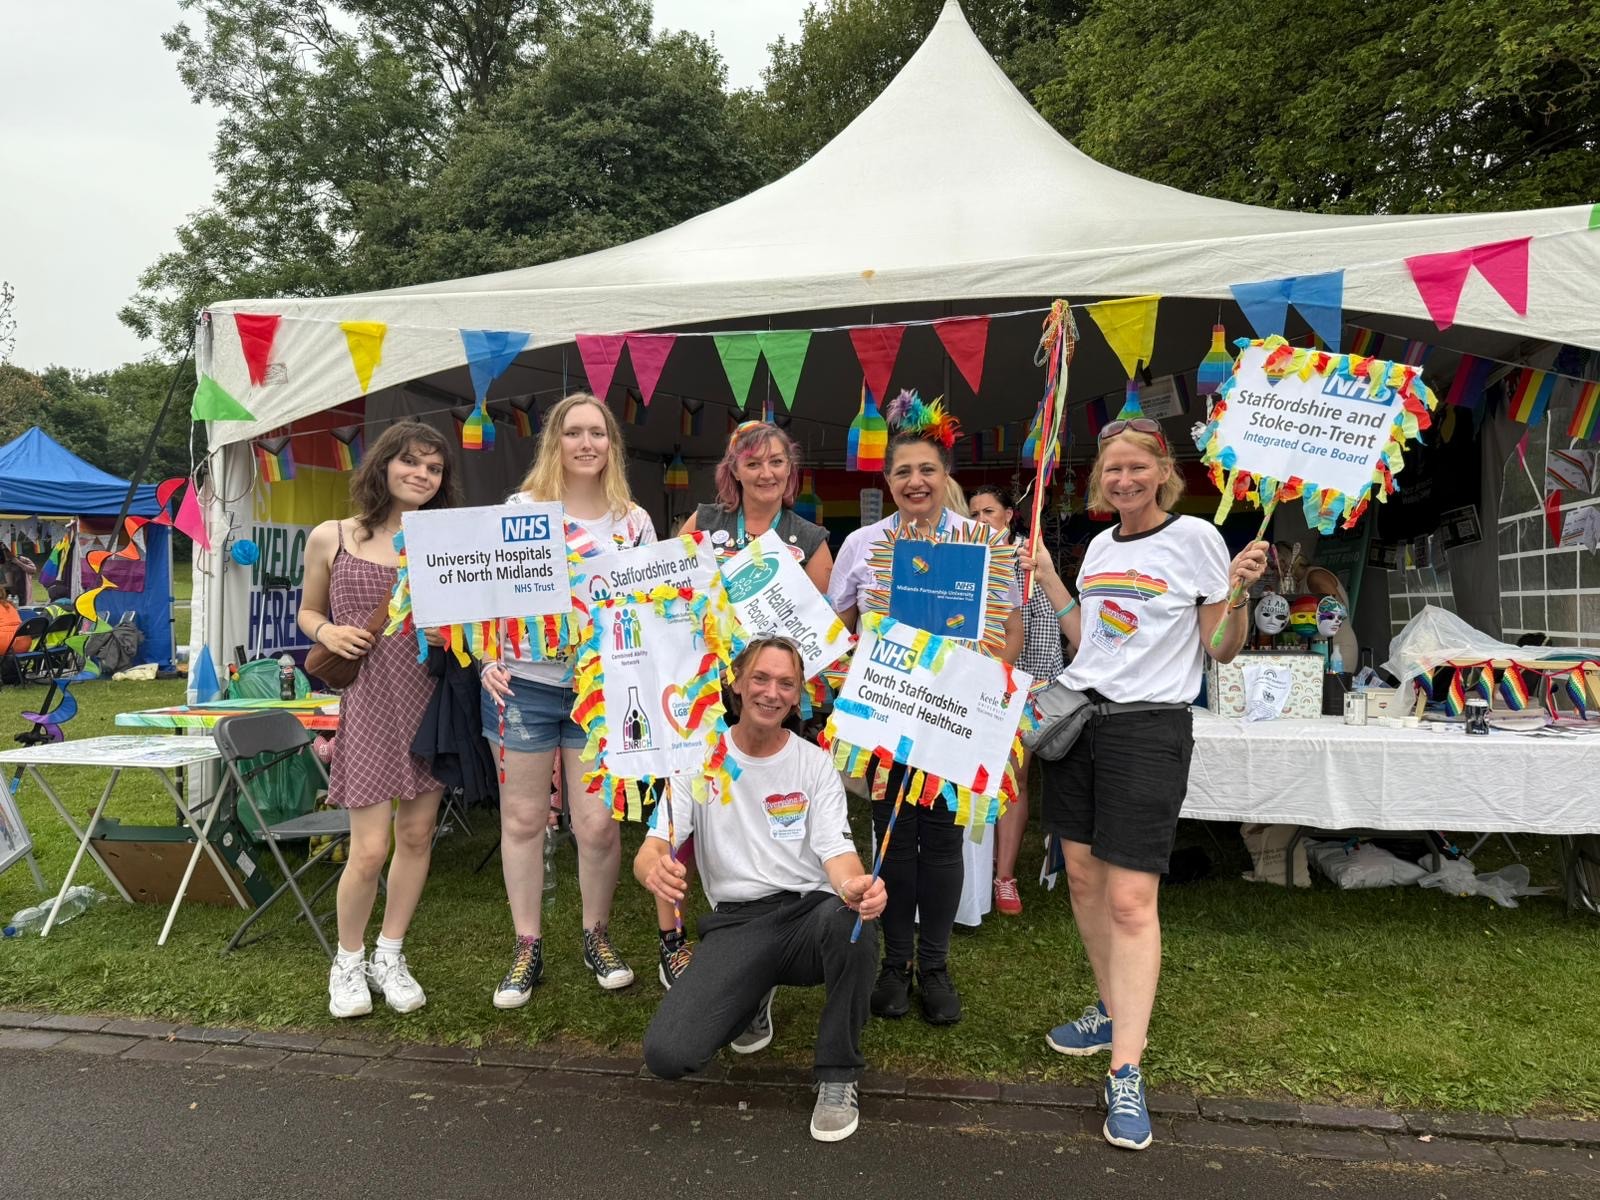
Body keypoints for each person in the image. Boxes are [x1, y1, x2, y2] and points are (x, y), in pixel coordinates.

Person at [1025, 415, 1266, 1152]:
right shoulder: (1099, 546)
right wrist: (1049, 581)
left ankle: (1125, 1070)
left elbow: (1218, 649)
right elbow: (1086, 641)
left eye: (1137, 468)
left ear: (1164, 471)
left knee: (1132, 899)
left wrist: (1239, 595)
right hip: (1080, 725)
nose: (1123, 480)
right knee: (1082, 879)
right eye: (1112, 471)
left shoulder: (1196, 539)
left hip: (1149, 731)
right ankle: (1108, 1007)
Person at [636, 637, 886, 1143]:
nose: (772, 693)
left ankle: (838, 1076)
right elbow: (654, 844)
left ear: (797, 697)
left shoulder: (814, 762)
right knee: (668, 1055)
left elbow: (837, 852)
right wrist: (650, 868)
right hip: (736, 923)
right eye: (761, 679)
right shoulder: (697, 756)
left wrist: (856, 886)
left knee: (852, 926)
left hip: (807, 913)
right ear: (736, 683)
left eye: (786, 684)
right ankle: (753, 993)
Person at [828, 392, 1021, 1026]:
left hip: (954, 716)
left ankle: (934, 967)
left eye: (928, 470)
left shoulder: (979, 542)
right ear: (888, 481)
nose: (916, 481)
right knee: (892, 839)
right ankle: (894, 963)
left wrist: (989, 678)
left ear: (946, 478)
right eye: (903, 471)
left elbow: (1010, 629)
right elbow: (837, 627)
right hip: (889, 714)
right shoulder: (862, 543)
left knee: (940, 843)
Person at [479, 392, 655, 1007]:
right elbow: (480, 594)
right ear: (554, 442)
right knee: (523, 820)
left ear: (613, 445)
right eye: (574, 432)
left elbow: (651, 608)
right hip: (522, 684)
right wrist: (484, 657)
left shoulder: (634, 523)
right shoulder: (519, 511)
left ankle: (595, 934)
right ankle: (527, 944)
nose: (586, 443)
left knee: (598, 824)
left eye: (598, 433)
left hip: (600, 690)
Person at [297, 420, 458, 1018]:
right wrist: (327, 630)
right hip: (366, 701)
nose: (421, 474)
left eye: (434, 468)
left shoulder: (445, 544)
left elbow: (470, 625)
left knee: (417, 836)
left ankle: (391, 953)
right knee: (367, 850)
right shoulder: (332, 536)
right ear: (384, 465)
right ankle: (347, 960)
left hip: (427, 700)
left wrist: (450, 631)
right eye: (411, 462)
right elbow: (308, 611)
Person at [967, 485, 1066, 917]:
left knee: (1015, 779)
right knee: (974, 777)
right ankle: (974, 867)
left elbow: (1044, 627)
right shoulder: (963, 555)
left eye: (989, 511)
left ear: (1009, 515)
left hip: (1021, 684)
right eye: (973, 512)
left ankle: (1004, 875)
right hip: (968, 685)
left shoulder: (1027, 558)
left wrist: (1033, 685)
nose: (980, 519)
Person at [681, 420, 833, 591]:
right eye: (753, 464)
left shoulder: (811, 539)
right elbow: (668, 589)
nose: (767, 474)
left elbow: (824, 615)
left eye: (776, 462)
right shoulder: (703, 522)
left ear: (789, 467)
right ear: (735, 471)